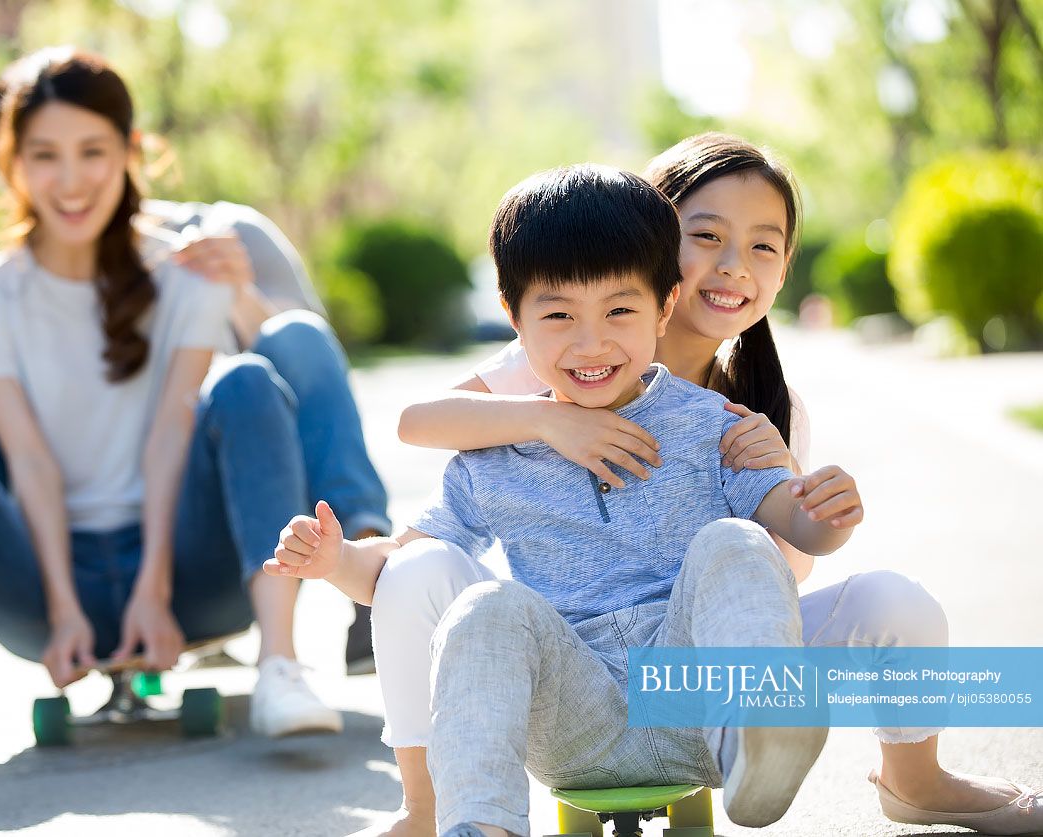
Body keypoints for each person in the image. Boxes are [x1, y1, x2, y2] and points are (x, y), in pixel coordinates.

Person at [371, 134, 1043, 835]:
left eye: (763, 246)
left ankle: (912, 778)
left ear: (785, 267)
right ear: (653, 240)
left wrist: (806, 502)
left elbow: (784, 566)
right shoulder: (575, 342)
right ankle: (433, 809)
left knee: (894, 602)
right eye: (706, 236)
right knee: (418, 568)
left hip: (699, 671)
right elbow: (420, 420)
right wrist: (550, 421)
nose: (732, 266)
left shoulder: (759, 409)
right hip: (573, 669)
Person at [0, 47, 344, 784]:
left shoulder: (186, 272)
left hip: (185, 572)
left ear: (130, 153)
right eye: (44, 155)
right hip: (42, 587)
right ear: (11, 164)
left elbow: (170, 437)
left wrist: (151, 589)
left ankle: (281, 667)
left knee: (245, 380)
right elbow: (31, 463)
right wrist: (62, 606)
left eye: (93, 152)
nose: (72, 180)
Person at [271, 163, 871, 836]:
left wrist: (823, 516)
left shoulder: (714, 424)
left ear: (664, 306)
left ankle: (763, 732)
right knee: (487, 606)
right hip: (569, 721)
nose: (591, 343)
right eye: (558, 315)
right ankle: (478, 822)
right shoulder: (494, 454)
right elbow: (399, 571)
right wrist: (334, 560)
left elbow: (791, 528)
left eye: (619, 310)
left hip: (690, 704)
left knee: (733, 540)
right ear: (513, 317)